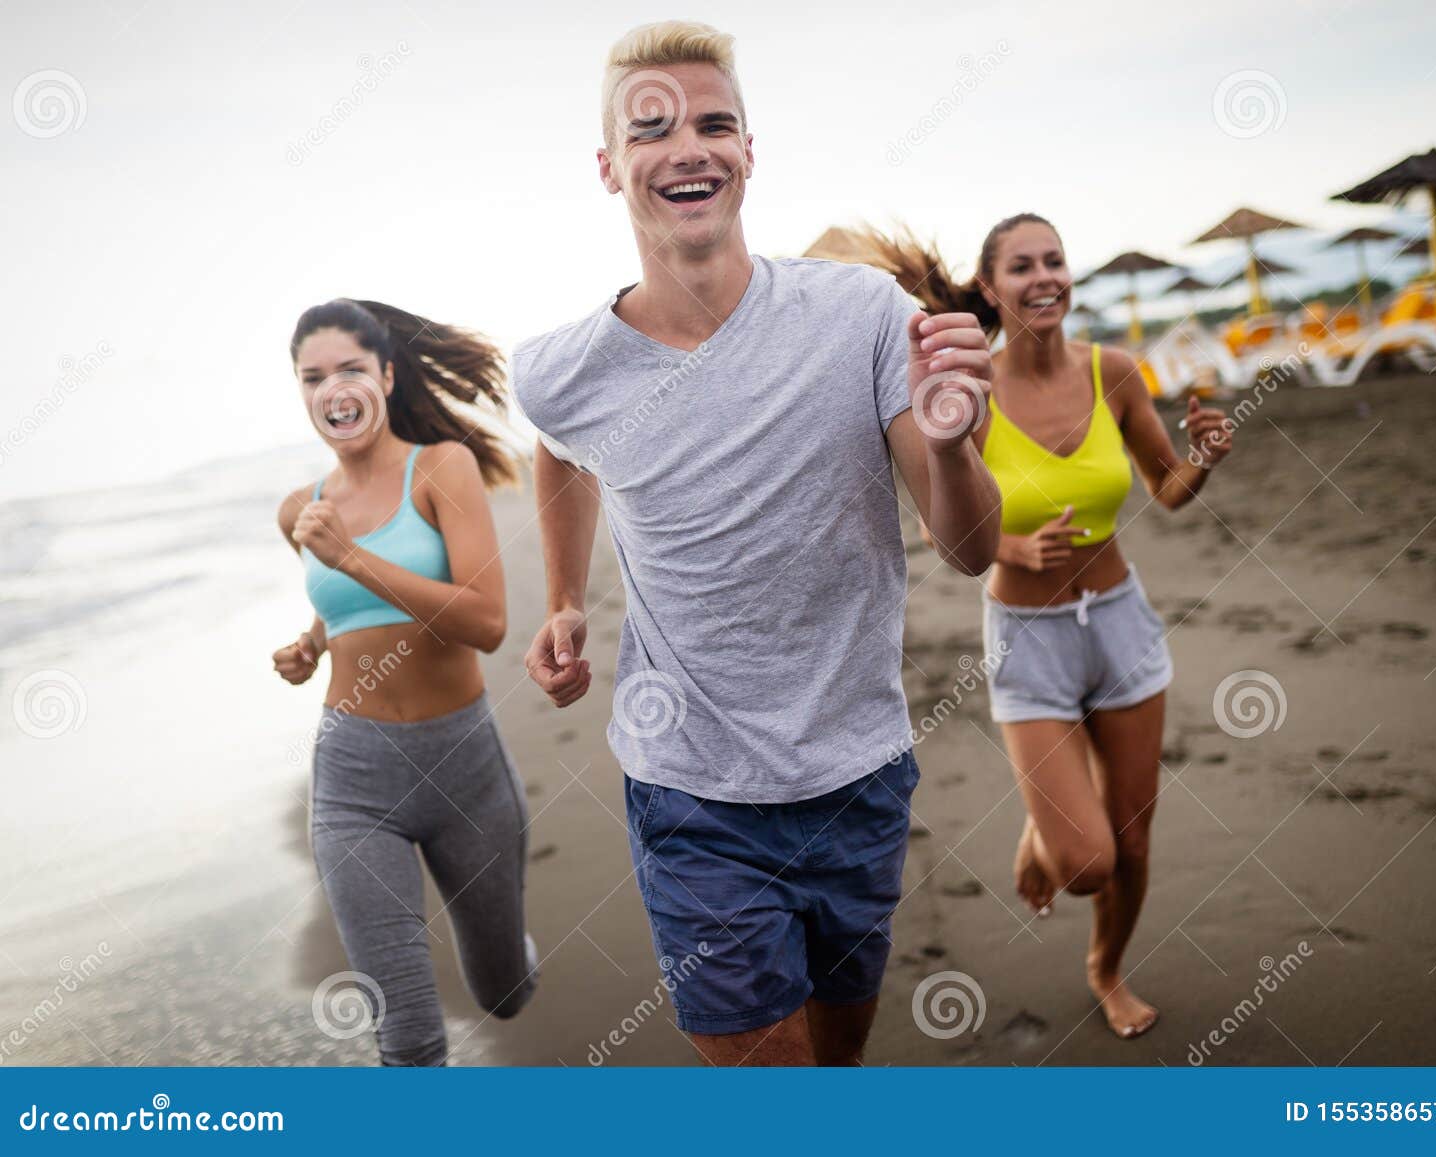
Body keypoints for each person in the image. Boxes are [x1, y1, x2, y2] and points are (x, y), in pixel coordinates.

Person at [512, 21, 1001, 1066]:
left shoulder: (861, 314)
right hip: (690, 787)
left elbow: (968, 549)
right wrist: (562, 596)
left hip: (859, 767)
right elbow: (555, 453)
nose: (687, 144)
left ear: (747, 151)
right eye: (651, 128)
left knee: (837, 1060)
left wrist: (958, 448)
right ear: (609, 166)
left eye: (714, 122)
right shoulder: (563, 368)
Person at [864, 216, 1234, 1038]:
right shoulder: (974, 389)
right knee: (1087, 861)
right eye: (1022, 267)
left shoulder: (1116, 373)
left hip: (1122, 628)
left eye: (1055, 261)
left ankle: (1106, 966)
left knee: (1132, 848)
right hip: (1026, 637)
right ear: (990, 289)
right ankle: (1045, 831)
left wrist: (1202, 458)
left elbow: (1165, 486)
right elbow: (943, 528)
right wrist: (1014, 541)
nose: (1044, 277)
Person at [275, 298, 538, 1065]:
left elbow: (484, 619)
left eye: (350, 368)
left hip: (465, 767)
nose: (333, 388)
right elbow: (349, 609)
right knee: (409, 1037)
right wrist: (312, 644)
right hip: (354, 777)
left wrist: (353, 557)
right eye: (312, 376)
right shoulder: (302, 509)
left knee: (504, 992)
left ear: (385, 375)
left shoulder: (442, 467)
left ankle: (511, 954)